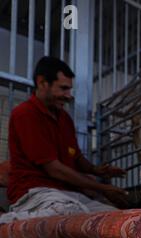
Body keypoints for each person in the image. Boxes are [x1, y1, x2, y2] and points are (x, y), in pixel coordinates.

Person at [2, 57, 129, 224]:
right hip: (34, 192)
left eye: (69, 89)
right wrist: (103, 188)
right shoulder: (25, 114)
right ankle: (6, 222)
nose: (68, 96)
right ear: (42, 83)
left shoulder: (65, 119)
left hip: (67, 194)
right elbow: (55, 170)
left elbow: (76, 157)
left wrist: (97, 170)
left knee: (116, 218)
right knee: (70, 213)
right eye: (63, 88)